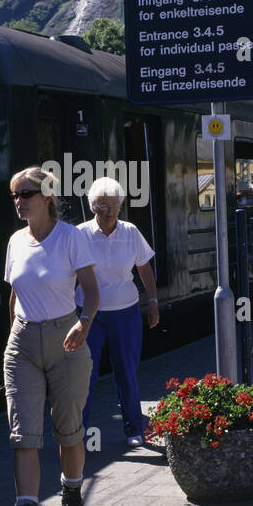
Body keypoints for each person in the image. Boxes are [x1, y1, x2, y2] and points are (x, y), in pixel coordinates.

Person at [1, 166, 100, 506]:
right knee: (23, 434)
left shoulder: (70, 238)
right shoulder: (14, 241)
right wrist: (13, 336)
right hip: (23, 341)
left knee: (69, 430)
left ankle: (72, 493)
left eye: (25, 194)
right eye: (14, 196)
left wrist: (83, 325)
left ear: (47, 197)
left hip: (67, 340)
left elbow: (91, 292)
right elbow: (14, 294)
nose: (18, 202)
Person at [76, 177, 159, 447]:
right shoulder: (80, 235)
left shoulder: (131, 232)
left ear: (121, 206)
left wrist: (154, 301)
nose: (109, 212)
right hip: (90, 314)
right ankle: (77, 434)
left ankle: (134, 429)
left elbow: (144, 269)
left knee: (127, 372)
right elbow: (70, 277)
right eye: (103, 206)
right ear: (93, 207)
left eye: (114, 206)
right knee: (83, 374)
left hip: (125, 312)